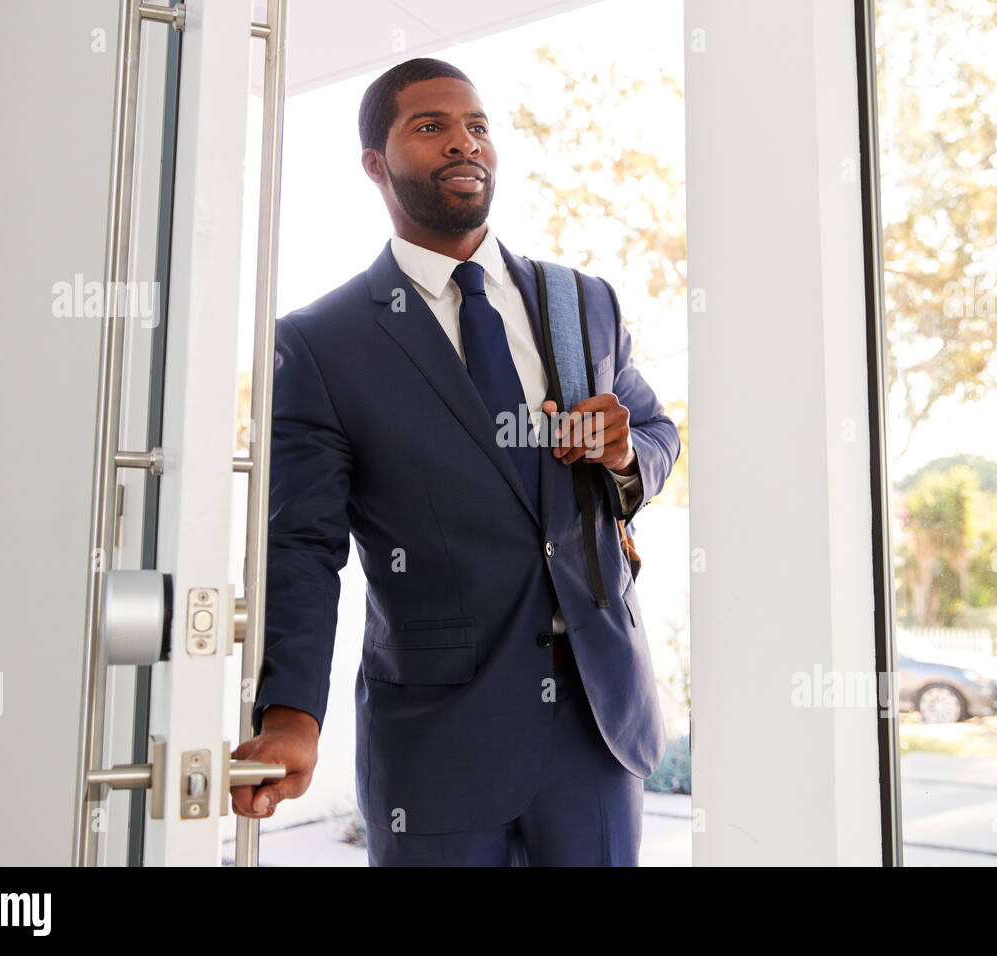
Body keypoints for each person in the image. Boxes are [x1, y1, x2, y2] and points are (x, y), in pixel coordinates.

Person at [230, 57, 680, 866]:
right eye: (430, 126)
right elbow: (301, 544)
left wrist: (622, 453)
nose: (463, 142)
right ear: (377, 163)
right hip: (437, 734)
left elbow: (654, 432)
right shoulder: (321, 342)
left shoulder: (582, 303)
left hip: (597, 721)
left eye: (476, 125)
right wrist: (291, 712)